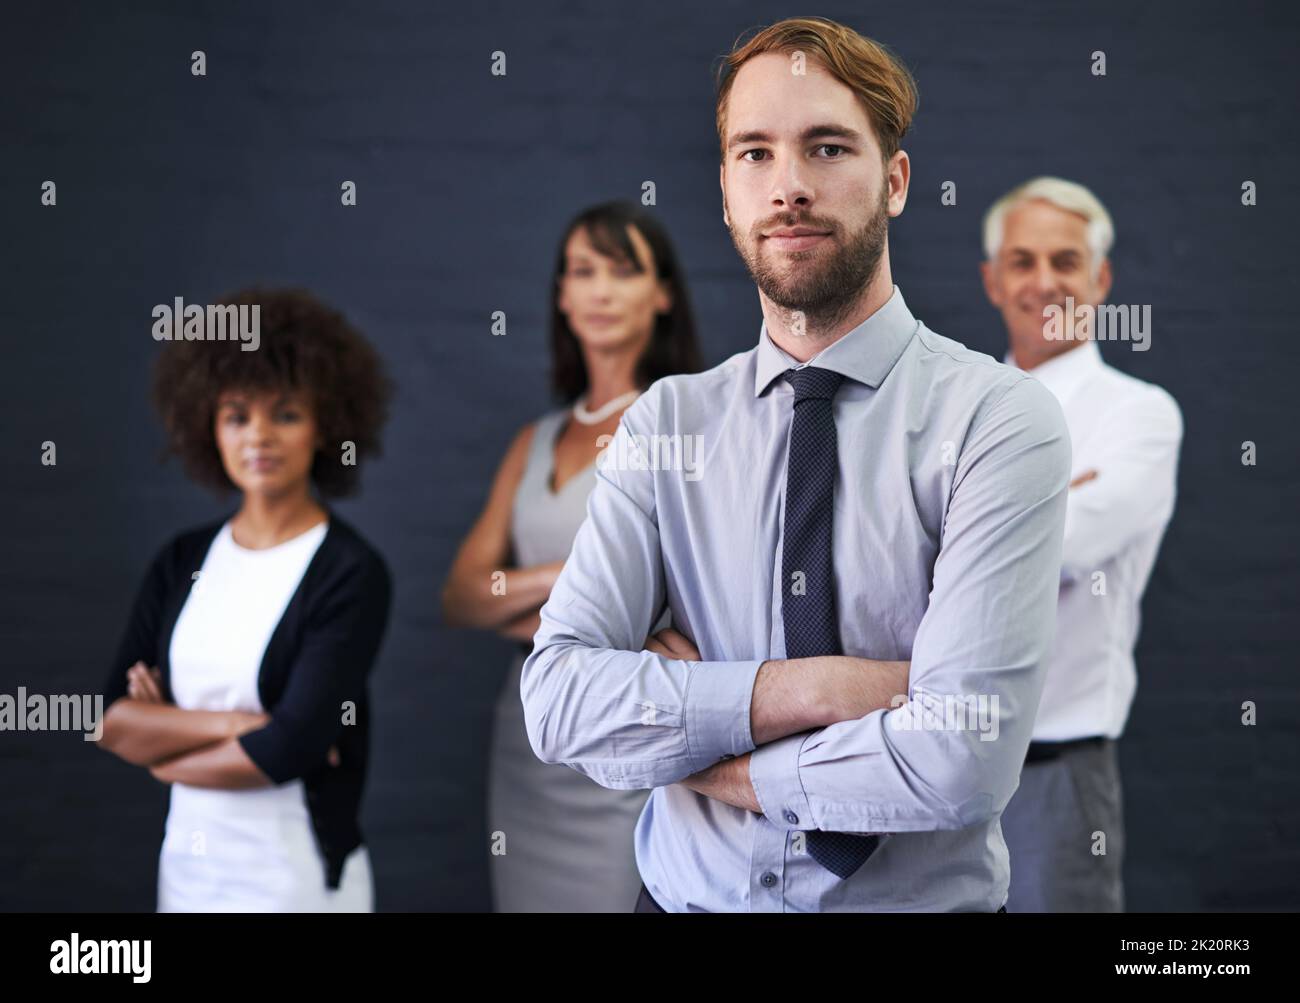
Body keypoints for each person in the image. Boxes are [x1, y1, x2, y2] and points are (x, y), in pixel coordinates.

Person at [520, 16, 1073, 913]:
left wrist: (710, 745)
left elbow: (963, 758)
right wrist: (818, 689)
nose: (789, 188)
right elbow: (558, 701)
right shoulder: (668, 421)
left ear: (893, 181)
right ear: (729, 194)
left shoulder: (998, 421)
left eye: (825, 148)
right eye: (754, 154)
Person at [96, 287, 394, 912]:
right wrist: (241, 725)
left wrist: (164, 752)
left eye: (284, 413)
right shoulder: (183, 561)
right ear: (209, 427)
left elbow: (286, 752)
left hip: (296, 879)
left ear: (325, 427)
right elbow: (111, 719)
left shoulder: (350, 573)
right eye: (237, 415)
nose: (259, 435)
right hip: (187, 872)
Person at [442, 201, 703, 911]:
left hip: (627, 733)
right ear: (560, 295)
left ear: (663, 294)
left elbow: (682, 603)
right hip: (529, 740)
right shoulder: (535, 439)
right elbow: (464, 593)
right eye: (582, 271)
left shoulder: (684, 422)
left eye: (622, 271)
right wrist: (579, 585)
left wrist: (533, 608)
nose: (599, 290)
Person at [980, 177, 1183, 911]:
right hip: (934, 765)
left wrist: (959, 519)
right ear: (992, 279)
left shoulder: (1140, 415)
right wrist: (1048, 498)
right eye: (1022, 260)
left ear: (1099, 280)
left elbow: (1060, 553)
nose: (1043, 281)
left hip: (1056, 777)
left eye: (1065, 261)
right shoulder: (953, 410)